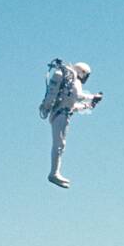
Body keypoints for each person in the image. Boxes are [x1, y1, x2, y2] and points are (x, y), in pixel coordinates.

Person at [39, 59, 104, 188]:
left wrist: (88, 105)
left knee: (60, 145)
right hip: (60, 115)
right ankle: (54, 173)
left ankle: (55, 172)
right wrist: (93, 97)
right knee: (59, 145)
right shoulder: (74, 81)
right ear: (83, 73)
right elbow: (78, 95)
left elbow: (73, 105)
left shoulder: (68, 87)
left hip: (61, 114)